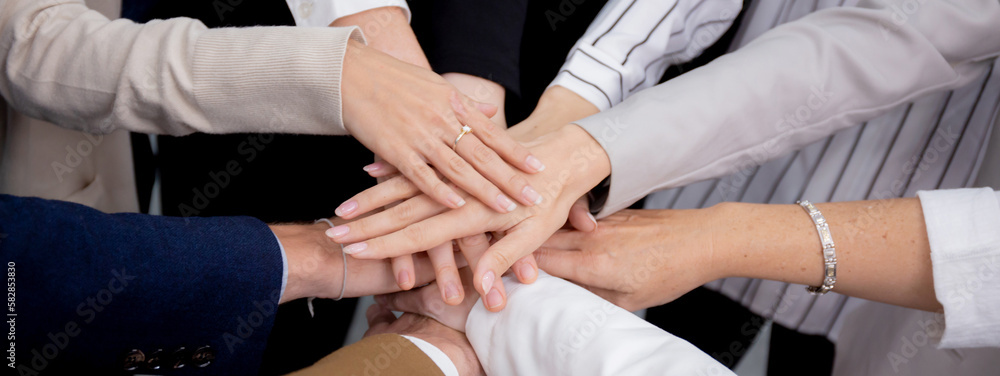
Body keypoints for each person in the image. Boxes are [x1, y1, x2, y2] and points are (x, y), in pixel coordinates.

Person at [329, 0, 1000, 373]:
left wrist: (582, 142)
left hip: (896, 246)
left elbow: (898, 34)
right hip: (678, 170)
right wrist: (572, 121)